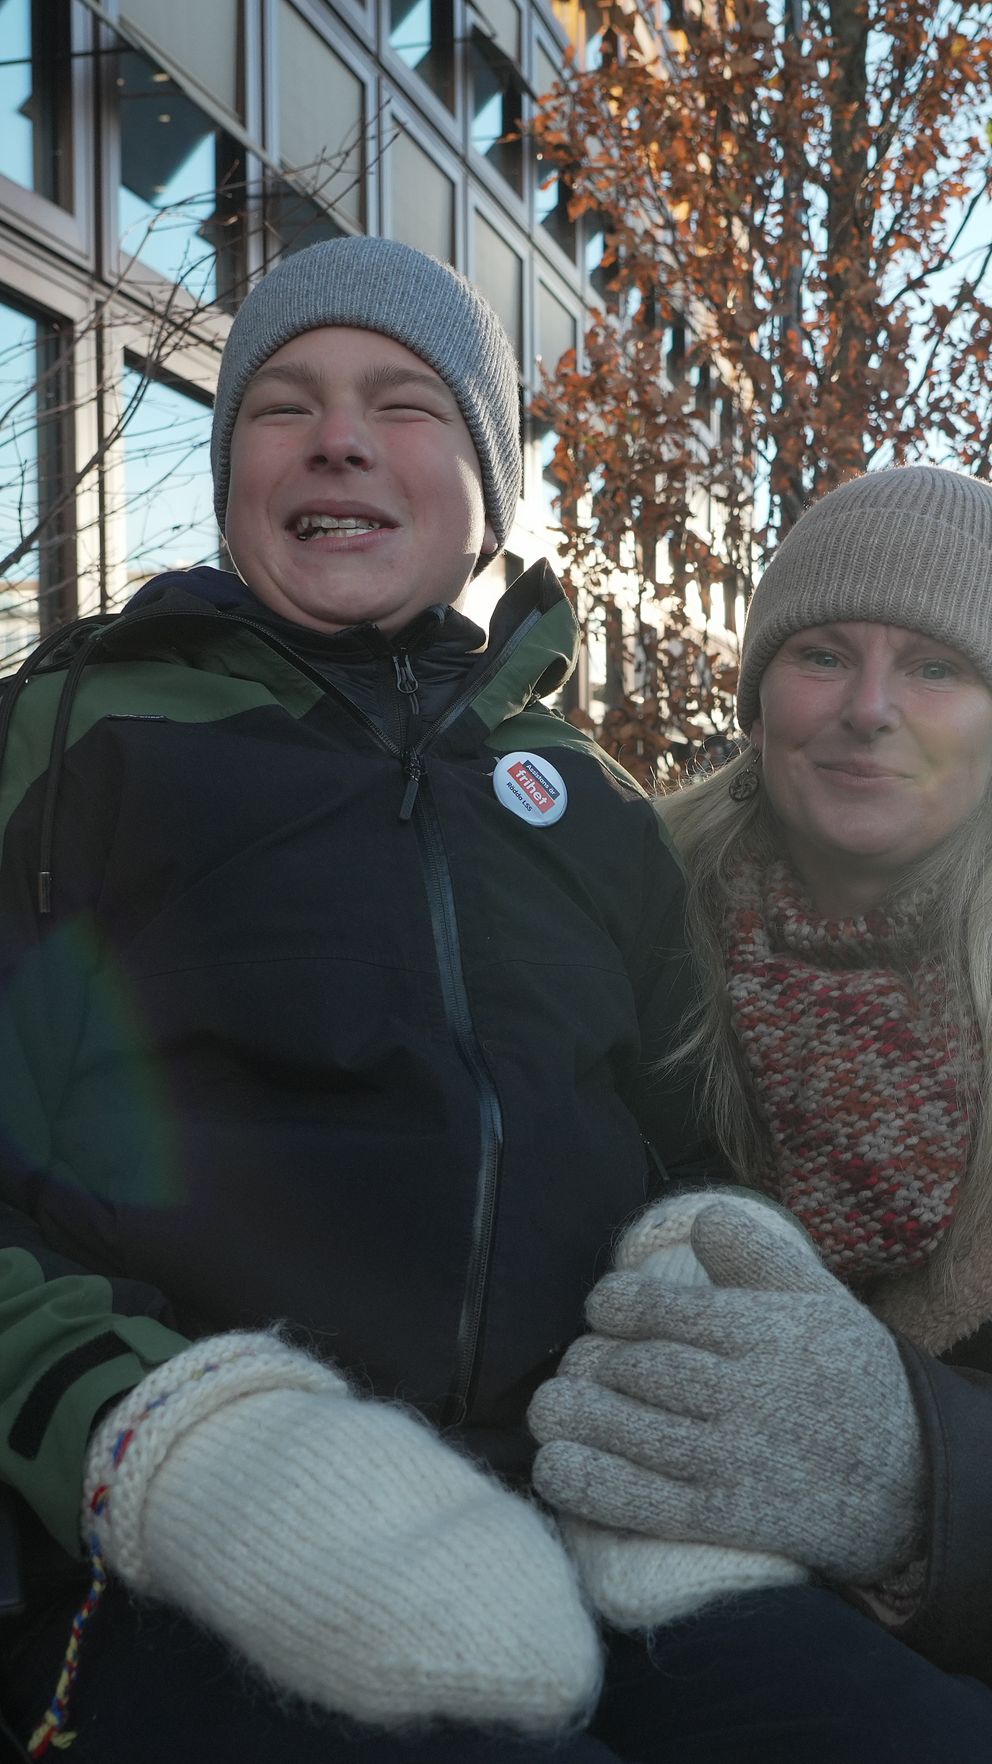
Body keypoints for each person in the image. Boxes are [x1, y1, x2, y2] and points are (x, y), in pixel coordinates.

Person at [0, 234, 714, 1764]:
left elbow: (692, 1161)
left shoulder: (591, 807)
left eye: (404, 404)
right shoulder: (71, 748)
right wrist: (160, 1446)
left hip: (586, 1519)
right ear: (234, 468)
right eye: (285, 403)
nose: (339, 436)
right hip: (169, 1561)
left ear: (484, 493)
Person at [530, 465, 992, 1758]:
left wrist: (921, 1484)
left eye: (939, 667)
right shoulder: (606, 909)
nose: (868, 708)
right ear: (758, 693)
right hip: (616, 1622)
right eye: (824, 653)